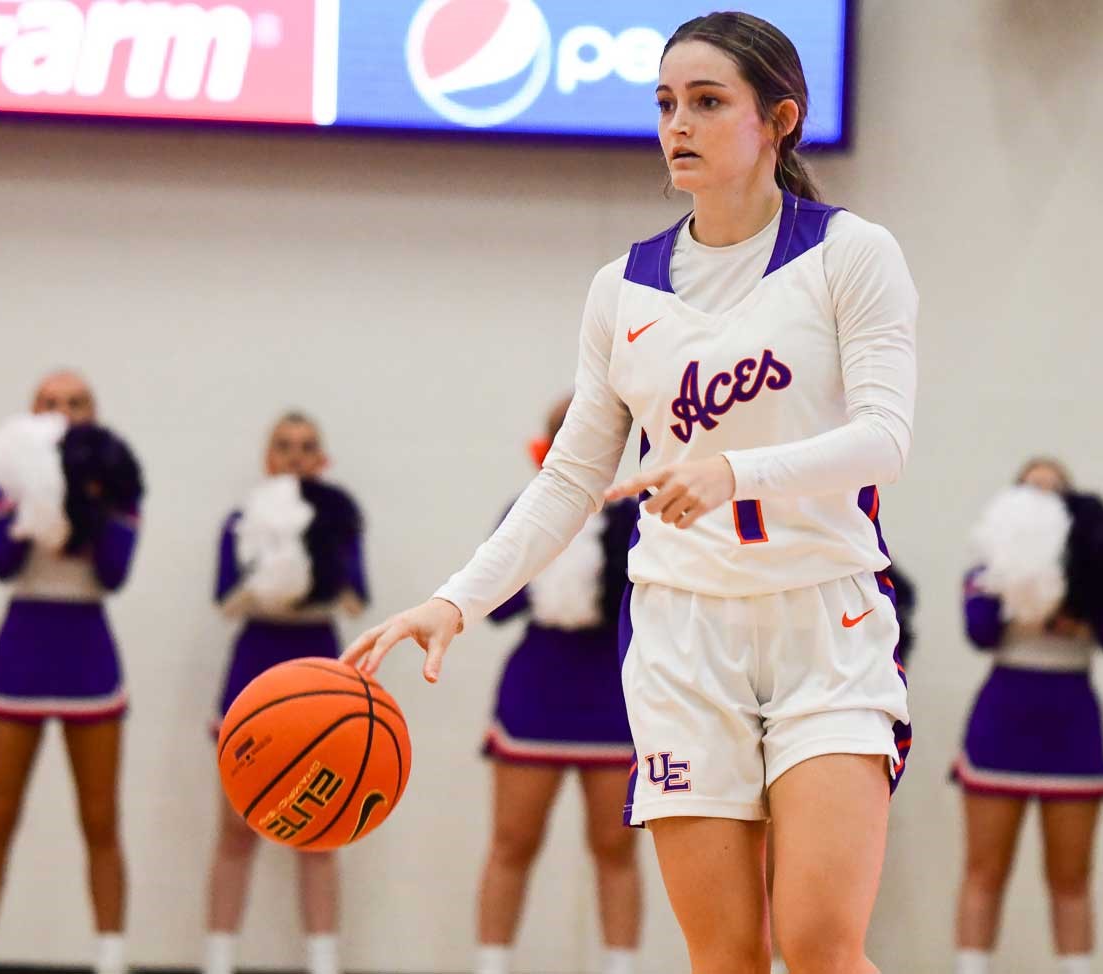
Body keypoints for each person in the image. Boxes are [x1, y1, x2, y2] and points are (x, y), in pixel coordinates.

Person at [345, 12, 919, 972]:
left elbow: (885, 440)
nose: (677, 125)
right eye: (665, 104)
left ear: (779, 120)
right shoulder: (623, 287)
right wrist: (457, 598)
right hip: (681, 636)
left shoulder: (850, 254)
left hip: (827, 620)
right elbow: (571, 476)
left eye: (706, 102)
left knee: (821, 945)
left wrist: (732, 471)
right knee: (725, 955)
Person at [0, 370, 142, 974]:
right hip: (21, 649)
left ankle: (111, 957)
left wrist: (85, 505)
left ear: (94, 412)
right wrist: (38, 504)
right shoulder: (6, 471)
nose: (62, 412)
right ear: (30, 410)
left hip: (87, 648)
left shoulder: (117, 476)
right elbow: (2, 562)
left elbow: (114, 574)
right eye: (49, 402)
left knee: (100, 818)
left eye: (75, 403)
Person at [472, 396, 642, 974]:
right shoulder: (523, 512)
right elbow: (496, 607)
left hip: (611, 697)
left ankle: (621, 967)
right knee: (512, 843)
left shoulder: (639, 515)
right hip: (536, 693)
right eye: (556, 430)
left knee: (616, 849)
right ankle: (491, 966)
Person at [950, 458, 1103, 974]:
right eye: (1031, 488)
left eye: (1055, 491)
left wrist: (1079, 609)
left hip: (1072, 722)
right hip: (1004, 716)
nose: (1041, 498)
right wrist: (1025, 597)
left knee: (1071, 877)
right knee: (985, 870)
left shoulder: (1098, 562)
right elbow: (980, 631)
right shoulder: (987, 561)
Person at [203, 412, 367, 974]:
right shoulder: (239, 519)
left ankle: (322, 963)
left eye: (306, 447)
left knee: (318, 831)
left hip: (319, 670)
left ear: (322, 458)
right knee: (235, 828)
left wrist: (317, 555)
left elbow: (355, 597)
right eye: (284, 447)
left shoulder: (339, 517)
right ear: (266, 458)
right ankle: (218, 960)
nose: (295, 457)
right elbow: (224, 597)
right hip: (253, 671)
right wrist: (266, 573)